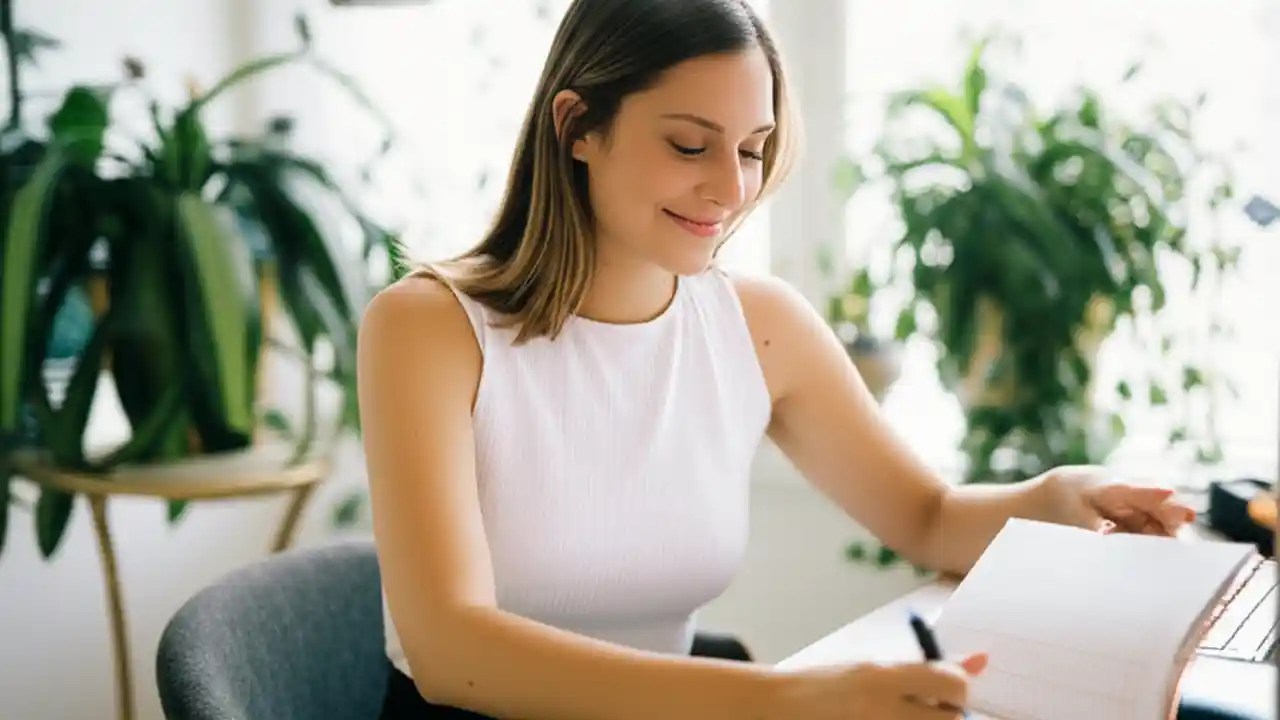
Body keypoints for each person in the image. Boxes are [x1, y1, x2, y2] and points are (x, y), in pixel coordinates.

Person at [356, 0, 1198, 718]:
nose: (732, 189)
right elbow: (450, 648)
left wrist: (1058, 498)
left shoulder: (758, 326)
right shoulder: (429, 329)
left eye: (752, 148)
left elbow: (927, 516)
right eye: (691, 145)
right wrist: (783, 699)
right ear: (578, 128)